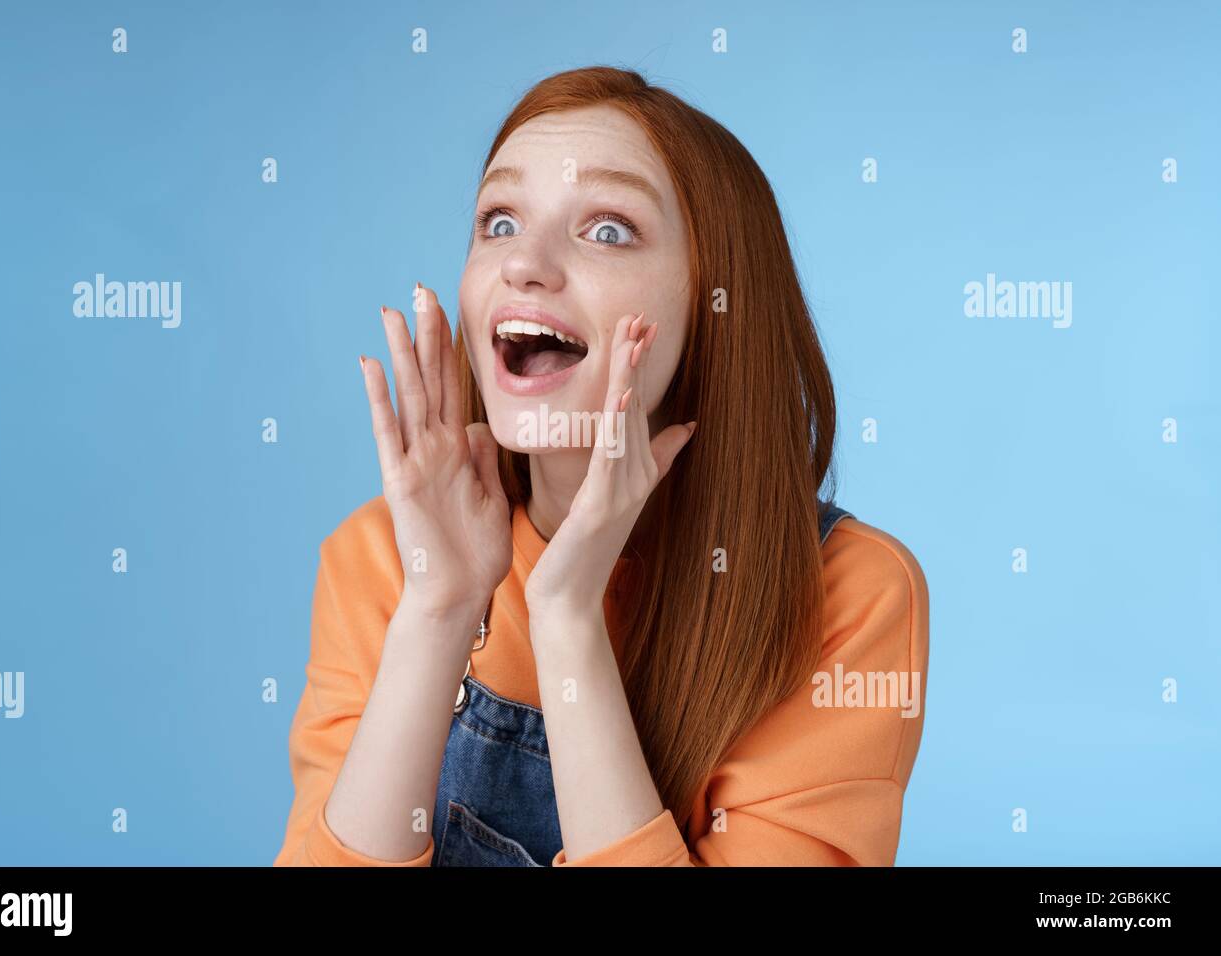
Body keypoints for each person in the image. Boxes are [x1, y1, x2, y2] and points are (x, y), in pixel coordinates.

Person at [274, 66, 929, 866]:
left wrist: (567, 615)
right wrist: (439, 611)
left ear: (715, 306)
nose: (525, 265)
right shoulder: (383, 559)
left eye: (608, 229)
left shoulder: (846, 598)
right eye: (500, 221)